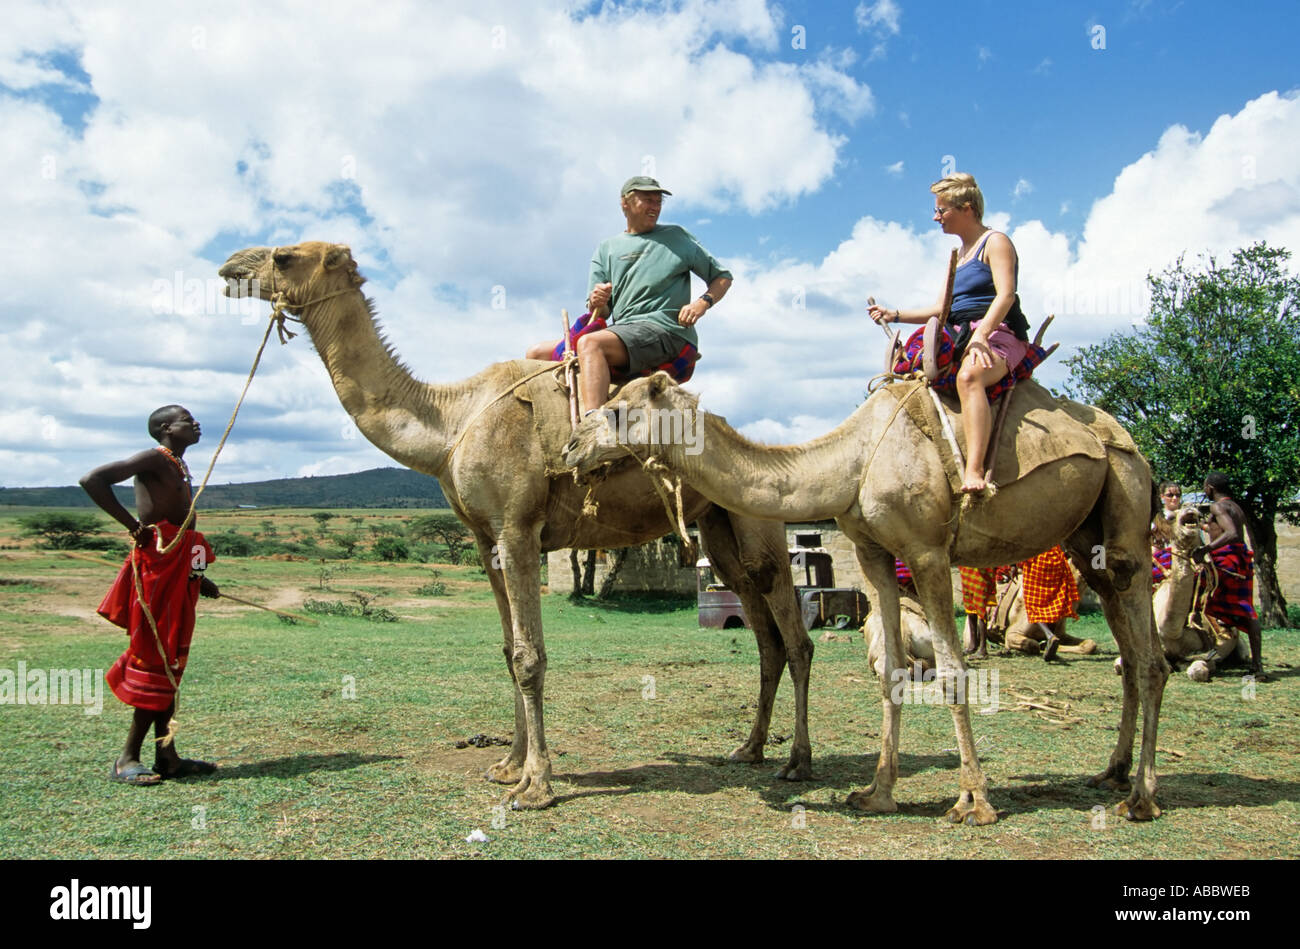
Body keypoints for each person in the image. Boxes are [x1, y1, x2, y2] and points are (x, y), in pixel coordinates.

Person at [80, 405, 219, 785]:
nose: (195, 423)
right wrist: (133, 527)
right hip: (156, 568)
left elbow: (187, 527)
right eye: (185, 419)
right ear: (164, 428)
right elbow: (92, 479)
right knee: (156, 659)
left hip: (177, 572)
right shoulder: (152, 459)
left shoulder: (179, 466)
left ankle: (167, 755)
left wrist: (196, 574)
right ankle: (126, 758)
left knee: (171, 660)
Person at [869, 173, 1031, 492]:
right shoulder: (958, 257)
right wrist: (895, 314)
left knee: (969, 378)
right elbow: (940, 308)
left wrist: (982, 335)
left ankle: (973, 471)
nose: (935, 217)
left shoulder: (995, 242)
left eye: (942, 210)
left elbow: (1006, 295)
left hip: (998, 333)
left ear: (967, 209)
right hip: (958, 334)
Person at [526, 176, 733, 413]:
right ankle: (546, 421)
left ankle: (594, 427)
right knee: (536, 353)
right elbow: (602, 312)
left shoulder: (677, 237)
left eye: (658, 201)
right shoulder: (607, 248)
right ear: (625, 203)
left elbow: (722, 277)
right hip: (625, 332)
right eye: (647, 200)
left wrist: (702, 303)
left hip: (666, 330)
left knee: (590, 343)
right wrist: (597, 301)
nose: (655, 206)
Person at [1193, 471, 1265, 680]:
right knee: (1245, 608)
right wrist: (1201, 525)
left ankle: (1205, 648)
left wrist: (1205, 549)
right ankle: (1256, 664)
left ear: (1210, 488)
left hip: (1227, 561)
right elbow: (1220, 528)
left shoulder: (1217, 506)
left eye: (1205, 486)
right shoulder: (1235, 507)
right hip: (1240, 560)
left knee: (1201, 597)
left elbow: (1231, 532)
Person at [1019, 545, 1080, 662]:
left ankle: (1050, 636)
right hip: (1056, 559)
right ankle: (1051, 642)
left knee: (1033, 604)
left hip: (1036, 559)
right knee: (1054, 602)